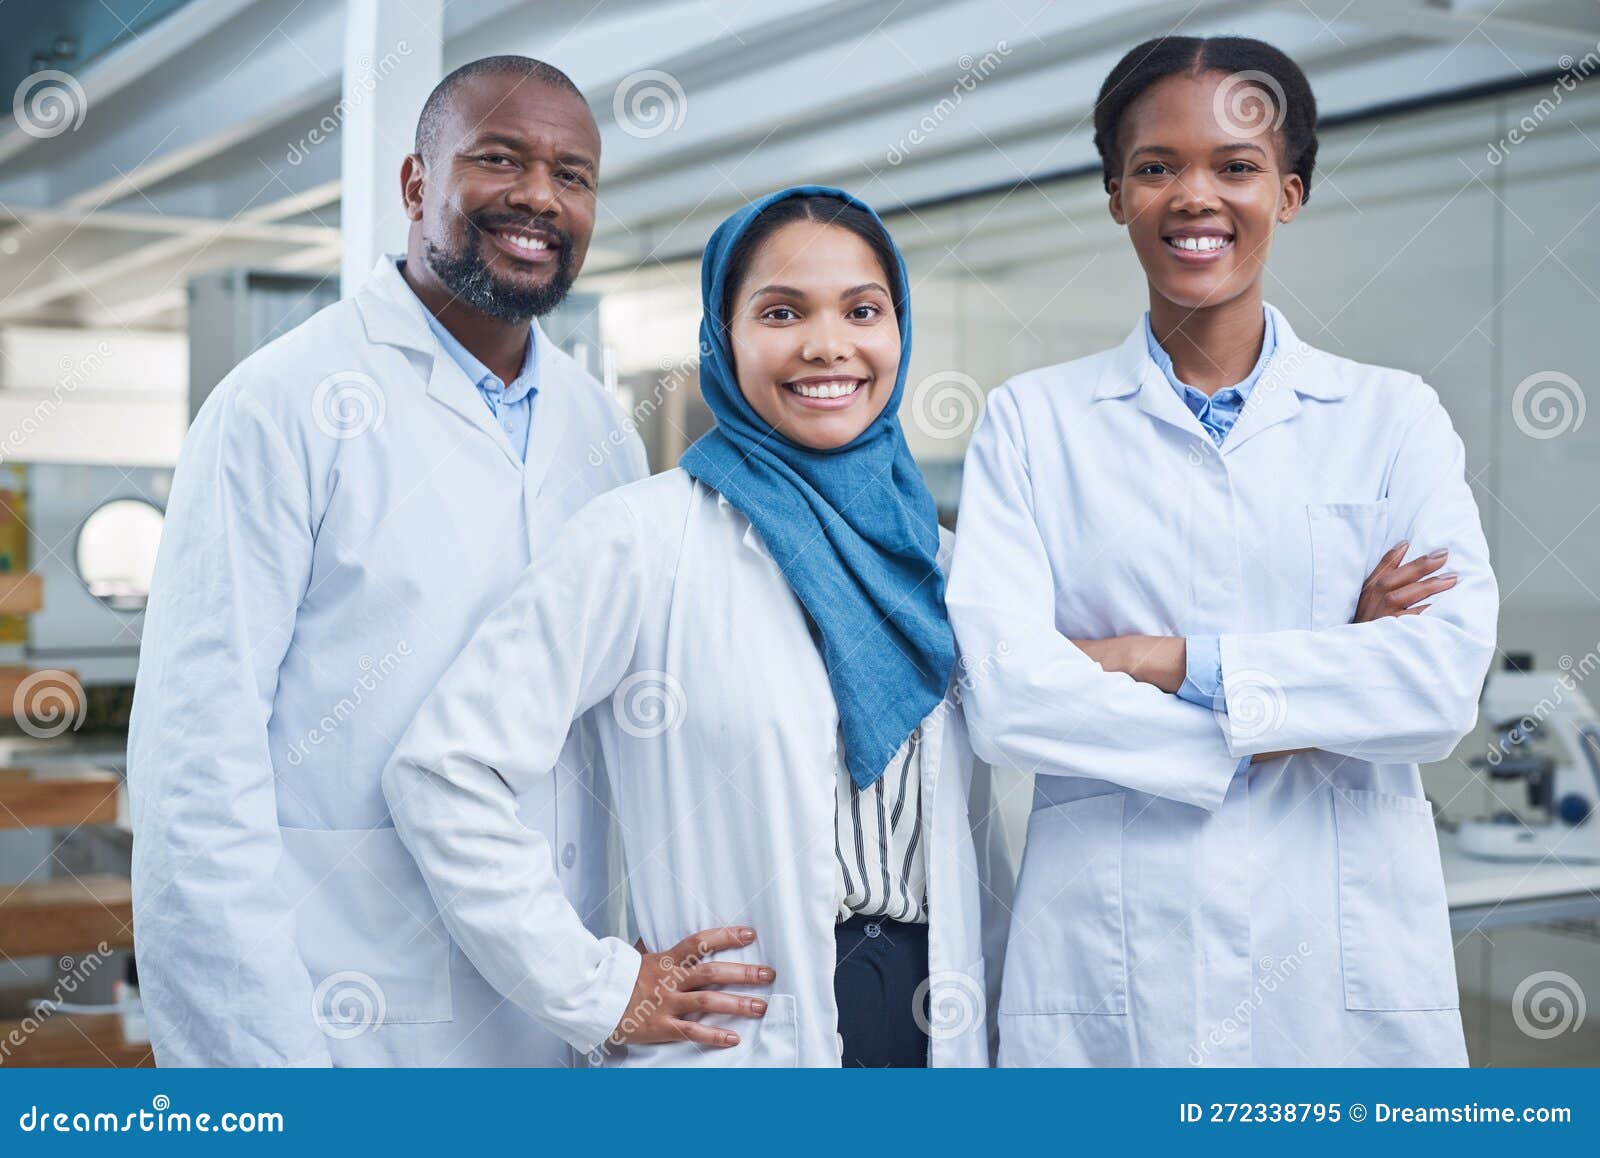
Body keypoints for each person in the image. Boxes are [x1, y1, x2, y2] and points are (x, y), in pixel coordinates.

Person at [946, 36, 1498, 1066]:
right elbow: (1012, 700)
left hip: (1339, 975)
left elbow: (1434, 686)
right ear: (1115, 195)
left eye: (1235, 166)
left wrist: (1165, 662)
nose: (1194, 196)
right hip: (1111, 972)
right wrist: (1321, 679)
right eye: (1156, 167)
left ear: (1287, 193)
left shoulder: (1390, 418)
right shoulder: (1033, 423)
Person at [383, 186, 1012, 1067]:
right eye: (782, 311)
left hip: (935, 1029)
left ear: (898, 331)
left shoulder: (940, 564)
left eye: (863, 310)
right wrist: (594, 989)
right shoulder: (644, 539)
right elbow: (444, 769)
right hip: (740, 1042)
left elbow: (974, 846)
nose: (828, 344)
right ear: (724, 336)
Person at [128, 56, 647, 1066]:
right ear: (415, 184)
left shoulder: (603, 433)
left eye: (572, 175)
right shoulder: (278, 407)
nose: (538, 196)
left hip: (560, 1026)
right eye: (500, 159)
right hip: (344, 1030)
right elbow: (196, 778)